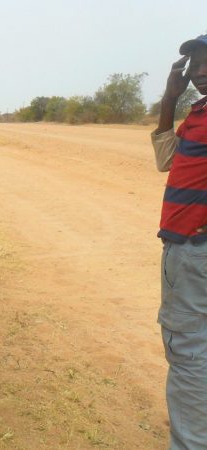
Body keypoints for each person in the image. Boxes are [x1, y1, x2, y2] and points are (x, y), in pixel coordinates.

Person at [152, 33, 207, 449]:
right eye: (195, 63)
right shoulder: (198, 113)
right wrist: (170, 99)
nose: (200, 72)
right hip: (186, 251)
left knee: (188, 356)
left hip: (193, 253)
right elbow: (165, 160)